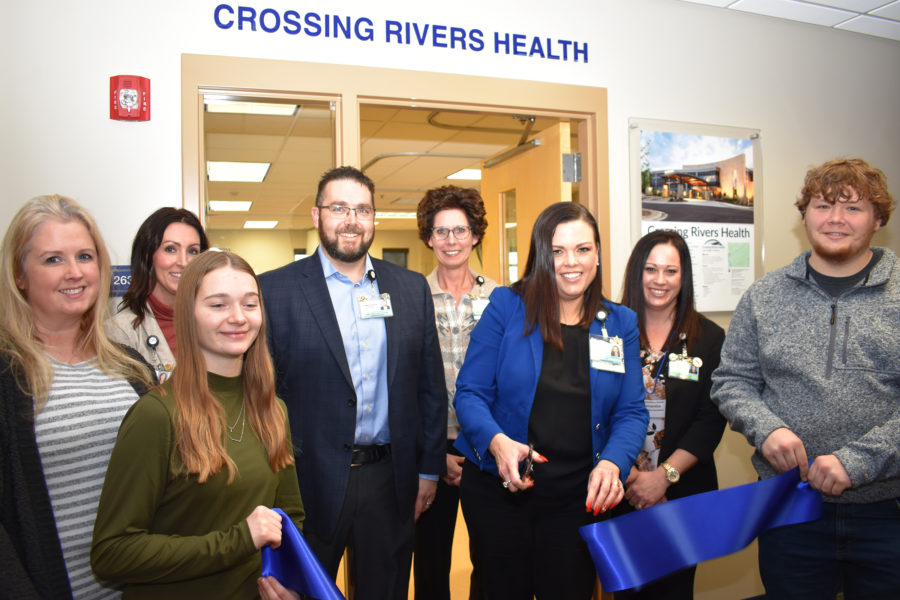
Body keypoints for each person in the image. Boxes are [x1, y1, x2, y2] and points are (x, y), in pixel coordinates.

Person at [711, 158, 899, 599]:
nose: (835, 219)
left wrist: (857, 462)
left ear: (878, 219)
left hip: (887, 513)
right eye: (822, 205)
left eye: (852, 208)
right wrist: (767, 428)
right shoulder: (764, 295)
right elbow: (731, 381)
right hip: (789, 508)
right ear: (805, 216)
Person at [258, 166, 447, 599]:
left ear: (374, 218)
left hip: (389, 478)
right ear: (316, 214)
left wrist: (427, 470)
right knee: (301, 590)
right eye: (339, 207)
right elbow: (262, 398)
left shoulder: (408, 288)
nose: (351, 219)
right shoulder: (275, 291)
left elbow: (430, 389)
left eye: (363, 209)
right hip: (308, 481)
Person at [454, 201, 649, 600]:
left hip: (577, 499)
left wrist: (613, 462)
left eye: (582, 249)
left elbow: (630, 411)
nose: (570, 262)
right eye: (557, 251)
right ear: (542, 255)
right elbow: (470, 392)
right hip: (501, 493)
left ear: (597, 253)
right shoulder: (508, 307)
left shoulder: (620, 322)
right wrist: (497, 441)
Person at [91, 250, 304, 599]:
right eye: (218, 305)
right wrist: (239, 540)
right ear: (188, 315)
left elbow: (289, 518)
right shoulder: (156, 416)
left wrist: (288, 584)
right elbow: (112, 553)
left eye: (250, 305)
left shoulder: (272, 410)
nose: (238, 318)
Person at [0, 195, 154, 599]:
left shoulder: (132, 365)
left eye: (85, 256)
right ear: (19, 274)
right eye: (53, 259)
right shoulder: (7, 375)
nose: (74, 273)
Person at [612, 230, 726, 600]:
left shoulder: (708, 338)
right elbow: (590, 408)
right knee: (625, 589)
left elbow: (710, 419)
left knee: (675, 592)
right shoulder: (606, 331)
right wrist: (631, 478)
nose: (660, 280)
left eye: (671, 271)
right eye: (650, 269)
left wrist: (663, 478)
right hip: (616, 488)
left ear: (684, 277)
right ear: (636, 273)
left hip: (681, 494)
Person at [413, 186, 497, 600]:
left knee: (492, 561)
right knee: (430, 564)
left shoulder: (502, 298)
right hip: (431, 449)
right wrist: (434, 457)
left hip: (489, 450)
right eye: (440, 231)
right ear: (428, 237)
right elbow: (404, 384)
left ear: (475, 235)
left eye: (459, 230)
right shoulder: (412, 298)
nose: (450, 241)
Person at [106, 207, 209, 382]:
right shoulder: (120, 331)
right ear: (147, 255)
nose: (184, 262)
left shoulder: (213, 322)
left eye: (193, 251)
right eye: (170, 249)